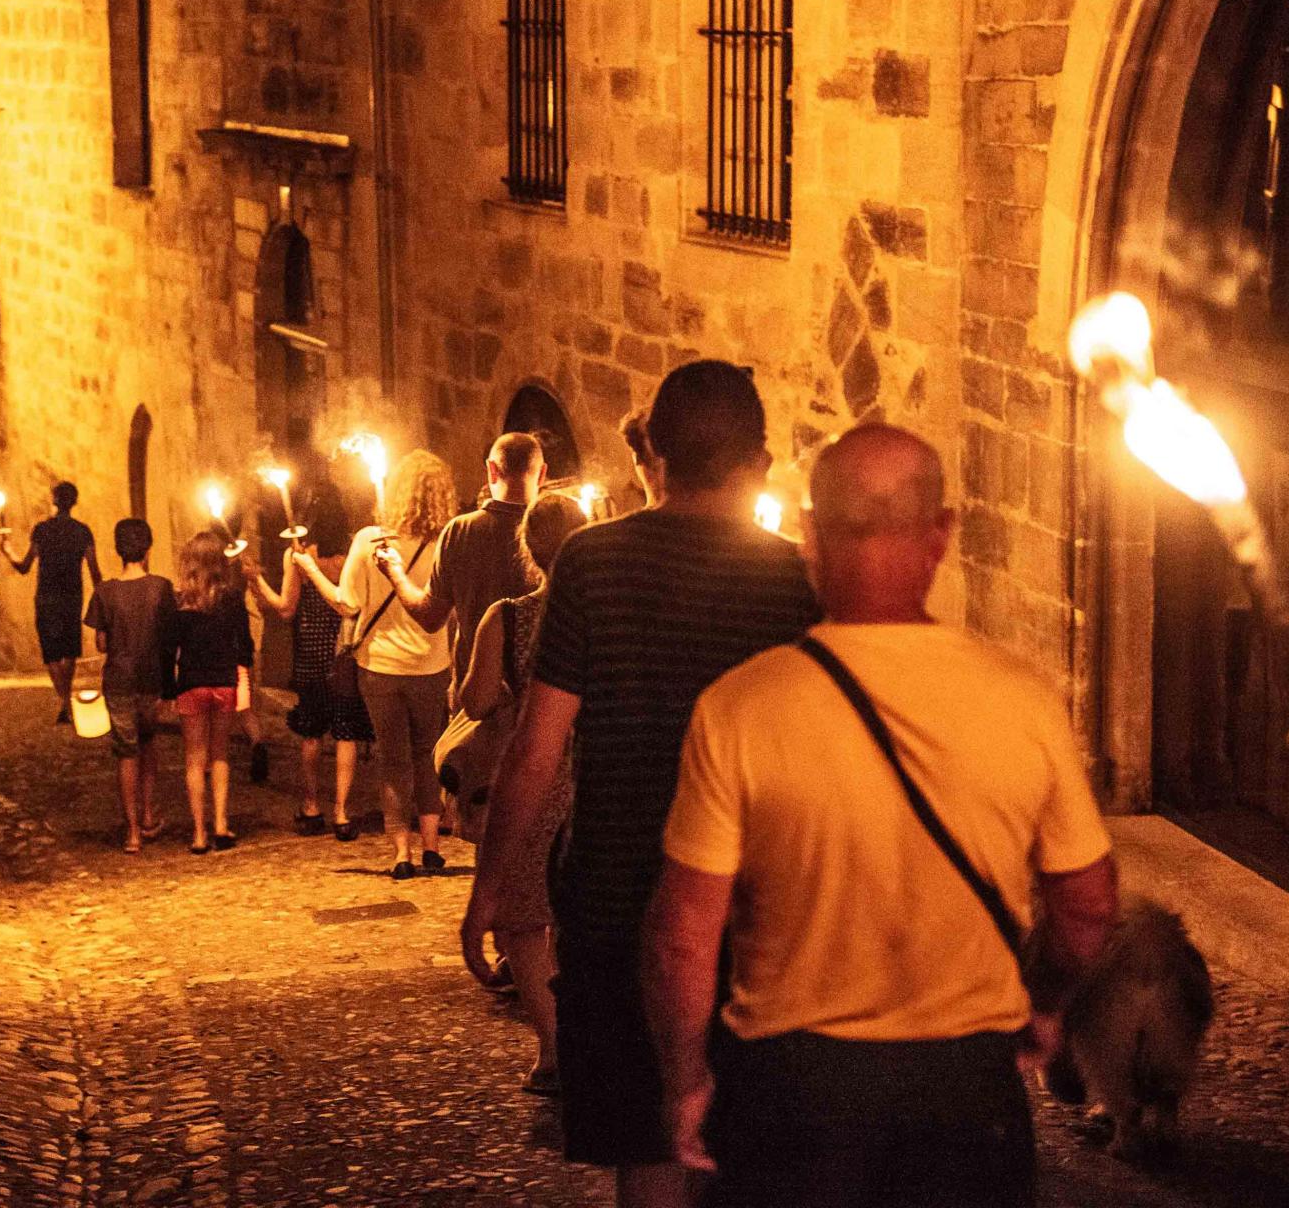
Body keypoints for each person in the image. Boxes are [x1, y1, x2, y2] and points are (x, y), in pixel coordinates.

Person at [642, 424, 1119, 1207]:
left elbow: (682, 936)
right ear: (942, 536)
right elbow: (1090, 905)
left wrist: (687, 1079)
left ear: (809, 536)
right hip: (965, 1094)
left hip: (791, 1096)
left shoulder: (741, 709)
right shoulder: (1024, 701)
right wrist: (1046, 1003)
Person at [462, 360, 820, 1208]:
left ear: (652, 454)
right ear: (757, 459)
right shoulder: (795, 579)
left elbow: (536, 747)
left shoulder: (592, 564)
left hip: (617, 903)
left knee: (649, 1146)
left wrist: (491, 887)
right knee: (756, 1151)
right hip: (755, 911)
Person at [457, 491, 589, 1097]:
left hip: (535, 773)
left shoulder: (506, 617)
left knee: (522, 918)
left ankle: (556, 1048)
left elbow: (477, 701)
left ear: (528, 550)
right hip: (592, 774)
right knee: (579, 917)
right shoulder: (606, 611)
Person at [299, 449, 457, 880]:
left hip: (381, 667)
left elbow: (347, 603)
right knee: (427, 756)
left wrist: (309, 568)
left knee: (393, 760)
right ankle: (431, 847)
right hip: (431, 663)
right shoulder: (447, 541)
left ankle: (400, 852)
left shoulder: (370, 540)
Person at [378, 431, 545, 700]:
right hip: (544, 695)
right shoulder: (557, 529)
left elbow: (431, 617)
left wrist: (394, 572)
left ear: (491, 470)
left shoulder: (462, 531)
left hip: (478, 694)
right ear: (542, 473)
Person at [245, 498, 376, 839]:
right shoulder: (355, 554)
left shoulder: (301, 557)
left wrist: (256, 582)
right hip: (348, 651)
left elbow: (285, 608)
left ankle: (312, 804)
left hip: (312, 653)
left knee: (312, 732)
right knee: (346, 730)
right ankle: (343, 812)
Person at [83, 518, 177, 853]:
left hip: (119, 680)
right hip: (152, 679)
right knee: (149, 746)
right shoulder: (161, 588)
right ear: (148, 548)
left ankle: (133, 832)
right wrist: (171, 689)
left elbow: (101, 643)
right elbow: (169, 641)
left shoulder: (105, 592)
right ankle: (149, 815)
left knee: (126, 752)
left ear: (117, 550)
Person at [171, 530, 254, 855]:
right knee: (219, 755)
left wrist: (167, 687)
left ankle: (199, 833)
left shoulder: (180, 601)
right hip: (223, 681)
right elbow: (243, 643)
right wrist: (243, 671)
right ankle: (220, 823)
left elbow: (170, 646)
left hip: (191, 682)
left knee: (194, 759)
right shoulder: (232, 598)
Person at [0, 481, 103, 724]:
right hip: (71, 597)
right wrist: (103, 597)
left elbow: (24, 566)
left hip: (46, 598)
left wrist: (8, 551)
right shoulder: (82, 532)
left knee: (52, 653)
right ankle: (65, 702)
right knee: (69, 651)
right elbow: (94, 570)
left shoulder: (42, 531)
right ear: (74, 501)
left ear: (54, 500)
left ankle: (65, 702)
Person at [619, 409, 663, 509]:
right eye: (646, 430)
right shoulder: (641, 456)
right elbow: (654, 487)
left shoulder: (644, 453)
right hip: (658, 507)